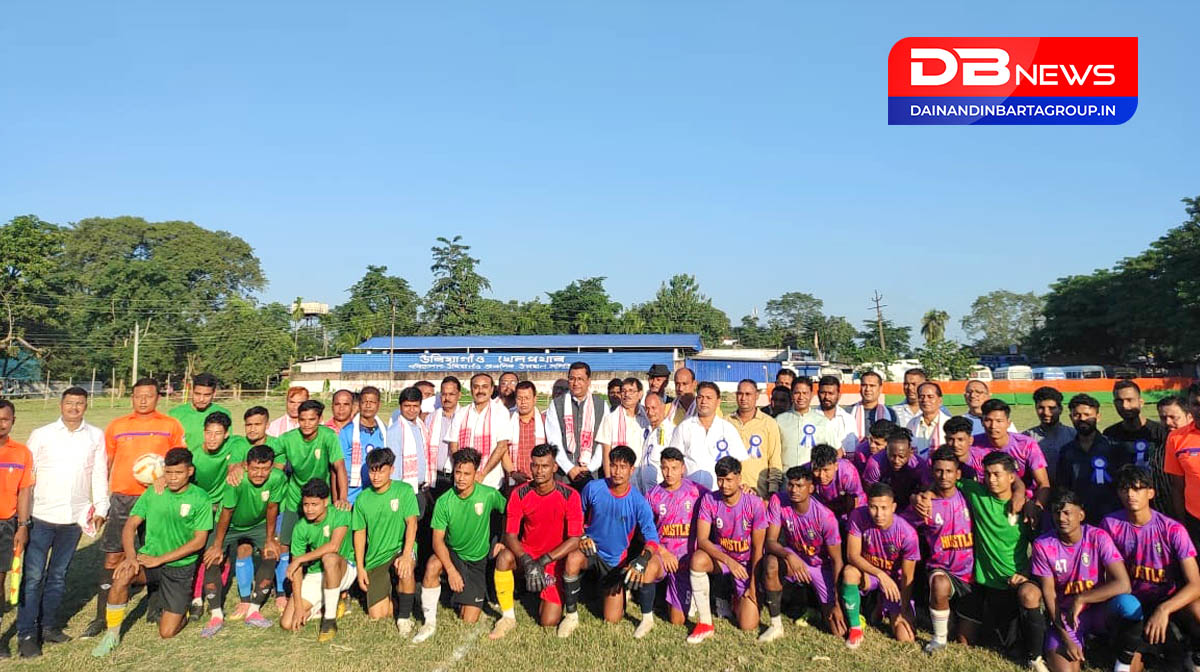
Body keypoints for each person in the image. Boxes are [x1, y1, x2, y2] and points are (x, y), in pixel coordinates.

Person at [84, 378, 186, 639]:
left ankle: (155, 604)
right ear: (132, 397)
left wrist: (166, 476)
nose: (143, 400)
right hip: (123, 500)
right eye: (138, 395)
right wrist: (99, 500)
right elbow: (103, 464)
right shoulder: (117, 426)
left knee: (153, 552)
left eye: (148, 396)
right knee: (113, 556)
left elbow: (179, 461)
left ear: (157, 398)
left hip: (157, 499)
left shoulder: (169, 425)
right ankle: (101, 616)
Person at [91, 448, 212, 657]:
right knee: (121, 576)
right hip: (148, 560)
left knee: (167, 633)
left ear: (190, 471)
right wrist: (130, 558)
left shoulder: (200, 498)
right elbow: (130, 525)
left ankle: (179, 607)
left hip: (179, 567)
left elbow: (199, 542)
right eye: (169, 473)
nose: (172, 479)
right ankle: (112, 635)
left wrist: (160, 559)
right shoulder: (153, 492)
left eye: (178, 473)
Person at [18, 388, 107, 658]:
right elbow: (27, 476)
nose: (74, 408)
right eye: (69, 403)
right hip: (41, 516)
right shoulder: (42, 434)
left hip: (74, 518)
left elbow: (99, 474)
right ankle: (27, 633)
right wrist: (23, 518)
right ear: (61, 405)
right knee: (33, 577)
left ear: (86, 406)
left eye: (80, 403)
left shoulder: (95, 436)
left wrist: (101, 507)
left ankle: (48, 626)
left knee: (58, 576)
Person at [943, 451, 1046, 670]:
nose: (991, 480)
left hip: (1014, 582)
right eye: (987, 474)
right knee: (965, 641)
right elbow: (946, 480)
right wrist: (919, 496)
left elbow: (1040, 549)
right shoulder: (977, 493)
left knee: (1014, 645)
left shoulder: (1025, 510)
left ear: (1012, 477)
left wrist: (1026, 574)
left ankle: (1036, 655)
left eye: (997, 474)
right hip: (983, 582)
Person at [1032, 489, 1141, 672]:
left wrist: (1082, 598)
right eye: (1056, 512)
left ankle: (1118, 653)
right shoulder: (1043, 545)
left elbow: (1123, 584)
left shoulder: (1098, 536)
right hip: (1068, 616)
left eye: (1067, 512)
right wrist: (1065, 636)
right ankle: (1079, 641)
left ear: (1081, 514)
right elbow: (1049, 594)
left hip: (1100, 610)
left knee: (1129, 604)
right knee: (1066, 668)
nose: (1061, 518)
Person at [1104, 465, 1200, 672]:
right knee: (1129, 667)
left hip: (1169, 602)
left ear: (1150, 493)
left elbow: (1196, 585)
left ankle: (1195, 653)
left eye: (1137, 489)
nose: (1130, 494)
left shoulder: (1173, 529)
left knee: (1198, 608)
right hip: (1132, 606)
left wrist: (1164, 609)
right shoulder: (1110, 525)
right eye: (1124, 489)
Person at [492, 444, 586, 638]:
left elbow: (575, 539)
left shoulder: (570, 495)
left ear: (554, 467)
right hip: (526, 554)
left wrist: (543, 561)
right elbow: (510, 534)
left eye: (544, 466)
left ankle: (547, 590)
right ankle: (507, 617)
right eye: (535, 465)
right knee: (503, 557)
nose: (539, 470)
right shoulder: (519, 493)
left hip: (553, 559)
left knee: (548, 621)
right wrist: (526, 561)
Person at [414, 447, 507, 643]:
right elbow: (437, 540)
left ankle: (457, 595)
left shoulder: (488, 495)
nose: (461, 478)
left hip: (476, 561)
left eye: (467, 473)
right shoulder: (444, 501)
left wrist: (503, 540)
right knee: (432, 565)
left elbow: (509, 512)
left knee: (468, 620)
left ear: (476, 474)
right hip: (452, 554)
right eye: (458, 472)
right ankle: (429, 622)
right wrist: (451, 570)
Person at [578, 446, 663, 637]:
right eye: (613, 466)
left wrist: (642, 561)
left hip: (615, 561)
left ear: (632, 470)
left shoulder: (639, 501)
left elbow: (652, 539)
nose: (617, 471)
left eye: (623, 467)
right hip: (590, 551)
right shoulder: (593, 488)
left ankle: (617, 592)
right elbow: (577, 516)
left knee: (612, 618)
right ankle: (571, 615)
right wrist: (582, 536)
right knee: (572, 560)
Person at [274, 399, 350, 609]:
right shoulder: (287, 439)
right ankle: (285, 590)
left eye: (311, 419)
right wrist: (240, 465)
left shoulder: (328, 436)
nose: (306, 424)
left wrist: (342, 497)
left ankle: (339, 589)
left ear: (319, 419)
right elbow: (264, 453)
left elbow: (339, 467)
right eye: (302, 419)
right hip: (295, 498)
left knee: (328, 547)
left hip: (320, 500)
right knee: (286, 545)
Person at [686, 456, 767, 643]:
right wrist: (728, 561)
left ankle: (739, 598)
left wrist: (753, 585)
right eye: (720, 479)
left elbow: (758, 547)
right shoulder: (709, 499)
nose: (724, 485)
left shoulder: (754, 503)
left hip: (747, 565)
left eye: (729, 480)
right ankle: (705, 623)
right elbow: (703, 540)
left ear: (739, 478)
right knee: (698, 560)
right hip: (724, 560)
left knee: (748, 625)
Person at [760, 465, 845, 642]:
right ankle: (776, 625)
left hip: (821, 567)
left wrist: (837, 602)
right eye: (790, 485)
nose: (794, 490)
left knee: (839, 631)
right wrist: (789, 556)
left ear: (811, 488)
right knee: (771, 563)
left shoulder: (825, 517)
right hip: (795, 557)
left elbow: (837, 561)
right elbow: (770, 542)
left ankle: (819, 606)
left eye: (800, 486)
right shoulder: (778, 501)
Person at [204, 444, 282, 632]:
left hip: (257, 524)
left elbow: (272, 508)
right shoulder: (236, 481)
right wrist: (217, 545)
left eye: (265, 469)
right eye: (255, 468)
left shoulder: (278, 479)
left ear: (271, 468)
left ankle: (253, 611)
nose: (260, 474)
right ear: (246, 466)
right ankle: (216, 616)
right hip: (229, 525)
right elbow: (226, 513)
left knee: (271, 554)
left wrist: (270, 539)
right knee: (212, 558)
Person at [908, 447, 976, 654]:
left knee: (965, 640)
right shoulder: (925, 504)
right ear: (932, 472)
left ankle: (941, 616)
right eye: (938, 471)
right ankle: (938, 639)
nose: (943, 476)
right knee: (939, 583)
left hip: (972, 574)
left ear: (958, 473)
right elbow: (902, 526)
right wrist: (915, 498)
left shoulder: (970, 496)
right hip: (942, 569)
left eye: (948, 471)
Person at [841, 482, 920, 649]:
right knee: (849, 573)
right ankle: (855, 628)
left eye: (884, 508)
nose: (878, 514)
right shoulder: (858, 516)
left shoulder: (907, 533)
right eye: (873, 507)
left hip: (895, 584)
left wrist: (903, 609)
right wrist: (880, 574)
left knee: (905, 638)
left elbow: (907, 576)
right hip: (871, 575)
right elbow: (852, 555)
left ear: (893, 507)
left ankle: (881, 605)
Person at [351, 448, 419, 634]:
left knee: (405, 569)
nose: (376, 475)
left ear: (392, 469)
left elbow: (412, 524)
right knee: (377, 615)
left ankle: (404, 618)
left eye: (381, 470)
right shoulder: (363, 499)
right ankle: (402, 594)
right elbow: (359, 534)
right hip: (377, 557)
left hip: (400, 549)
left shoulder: (404, 490)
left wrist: (406, 555)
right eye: (373, 470)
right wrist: (360, 568)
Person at [281, 478, 357, 642]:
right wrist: (300, 608)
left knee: (329, 558)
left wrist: (300, 558)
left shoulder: (340, 513)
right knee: (287, 623)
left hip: (344, 568)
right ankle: (331, 602)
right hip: (317, 574)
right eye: (306, 504)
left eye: (314, 504)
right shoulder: (300, 527)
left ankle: (329, 621)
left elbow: (334, 546)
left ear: (325, 502)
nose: (309, 509)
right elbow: (297, 570)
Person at [190, 411, 242, 624]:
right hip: (201, 509)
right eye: (209, 433)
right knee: (200, 554)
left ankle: (212, 596)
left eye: (218, 433)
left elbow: (239, 460)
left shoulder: (235, 445)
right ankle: (195, 598)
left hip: (224, 509)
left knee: (220, 554)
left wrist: (238, 466)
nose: (212, 438)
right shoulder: (194, 455)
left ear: (227, 434)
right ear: (203, 432)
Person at [645, 448, 704, 627]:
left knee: (677, 621)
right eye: (665, 468)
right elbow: (645, 531)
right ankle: (646, 614)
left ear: (683, 468)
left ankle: (681, 597)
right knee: (648, 566)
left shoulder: (696, 491)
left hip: (685, 561)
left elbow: (719, 501)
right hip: (662, 555)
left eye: (674, 468)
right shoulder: (652, 495)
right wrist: (663, 552)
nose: (669, 473)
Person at [1105, 380, 1171, 518]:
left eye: (1129, 400)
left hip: (1159, 503)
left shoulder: (1159, 432)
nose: (1125, 406)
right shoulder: (1110, 434)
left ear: (1141, 402)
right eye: (1119, 401)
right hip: (1125, 503)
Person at [1057, 394, 1126, 524]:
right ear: (1071, 417)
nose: (1082, 418)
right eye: (1077, 415)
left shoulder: (1114, 447)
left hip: (1112, 515)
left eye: (1087, 414)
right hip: (1079, 517)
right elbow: (1063, 487)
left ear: (1098, 417)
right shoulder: (1066, 451)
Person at [669, 382, 749, 490]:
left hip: (719, 495)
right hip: (689, 494)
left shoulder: (728, 429)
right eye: (700, 397)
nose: (703, 401)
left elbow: (739, 461)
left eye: (709, 398)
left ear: (718, 401)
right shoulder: (684, 427)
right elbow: (673, 461)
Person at [974, 399, 1052, 510]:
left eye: (999, 421)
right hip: (986, 507)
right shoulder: (973, 445)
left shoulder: (1026, 445)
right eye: (988, 420)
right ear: (982, 421)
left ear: (1008, 423)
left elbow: (1043, 484)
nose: (993, 426)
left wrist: (1036, 509)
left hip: (1026, 504)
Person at [0, 400, 33, 657]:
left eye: (5, 419)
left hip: (6, 524)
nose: (0, 423)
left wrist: (22, 525)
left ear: (13, 421)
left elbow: (24, 491)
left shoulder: (21, 453)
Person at [544, 362, 608, 490]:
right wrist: (570, 468)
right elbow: (554, 441)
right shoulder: (556, 404)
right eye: (572, 379)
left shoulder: (601, 405)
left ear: (589, 381)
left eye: (580, 379)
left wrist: (589, 468)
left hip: (592, 475)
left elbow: (603, 442)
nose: (575, 383)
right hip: (564, 476)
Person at [450, 373, 512, 490]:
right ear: (471, 389)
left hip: (490, 480)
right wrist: (464, 472)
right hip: (463, 481)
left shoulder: (500, 412)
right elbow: (453, 445)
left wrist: (482, 473)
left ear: (492, 389)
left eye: (484, 386)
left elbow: (502, 446)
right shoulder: (461, 413)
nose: (480, 391)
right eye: (476, 387)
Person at [727, 379, 783, 498]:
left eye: (748, 394)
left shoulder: (769, 423)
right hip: (729, 492)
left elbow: (774, 460)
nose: (743, 398)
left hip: (758, 492)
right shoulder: (726, 421)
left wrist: (772, 493)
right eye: (740, 394)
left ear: (756, 395)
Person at [340, 386, 388, 506]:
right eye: (364, 402)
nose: (368, 405)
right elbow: (339, 465)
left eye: (372, 402)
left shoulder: (385, 431)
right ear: (359, 404)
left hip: (377, 489)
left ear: (378, 405)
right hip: (353, 491)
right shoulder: (347, 431)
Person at [862, 427, 930, 509]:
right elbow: (869, 491)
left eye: (901, 457)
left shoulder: (918, 465)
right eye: (892, 456)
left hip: (910, 504)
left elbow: (926, 490)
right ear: (886, 450)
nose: (896, 461)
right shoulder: (875, 463)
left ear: (910, 452)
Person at [1166, 383, 1200, 544]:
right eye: (1196, 404)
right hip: (1195, 519)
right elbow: (1177, 486)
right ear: (1189, 407)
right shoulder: (1176, 438)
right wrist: (1182, 523)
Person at [595, 377, 648, 477]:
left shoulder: (648, 416)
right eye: (623, 391)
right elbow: (606, 453)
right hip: (620, 475)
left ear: (640, 394)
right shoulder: (610, 419)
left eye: (631, 391)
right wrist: (609, 479)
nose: (626, 395)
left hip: (644, 473)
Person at [777, 377, 833, 469]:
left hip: (813, 478)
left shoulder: (823, 422)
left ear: (811, 395)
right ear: (791, 395)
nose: (801, 397)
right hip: (787, 478)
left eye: (805, 393)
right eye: (797, 393)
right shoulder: (779, 420)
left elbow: (836, 452)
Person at [169, 373, 231, 452]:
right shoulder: (175, 414)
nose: (201, 399)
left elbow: (228, 445)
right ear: (192, 391)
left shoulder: (224, 414)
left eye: (207, 395)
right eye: (197, 394)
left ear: (214, 394)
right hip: (184, 462)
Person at [809, 443, 865, 524]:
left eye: (826, 470)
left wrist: (851, 525)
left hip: (851, 508)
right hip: (826, 510)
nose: (821, 476)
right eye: (817, 470)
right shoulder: (807, 473)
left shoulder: (847, 472)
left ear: (836, 466)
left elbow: (854, 500)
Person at [1026, 386, 1076, 470]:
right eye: (1041, 408)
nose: (1046, 412)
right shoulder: (1026, 437)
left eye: (1051, 408)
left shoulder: (1074, 435)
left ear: (1060, 409)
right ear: (1036, 408)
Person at [634, 391, 675, 493]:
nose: (650, 412)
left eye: (653, 408)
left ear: (662, 407)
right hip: (646, 493)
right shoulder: (647, 430)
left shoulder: (671, 432)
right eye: (647, 408)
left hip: (663, 494)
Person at [507, 381, 545, 486]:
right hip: (514, 480)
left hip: (540, 480)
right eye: (519, 398)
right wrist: (513, 474)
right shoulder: (507, 420)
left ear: (535, 399)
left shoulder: (545, 421)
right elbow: (503, 451)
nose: (523, 402)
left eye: (527, 398)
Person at [816, 375, 859, 456]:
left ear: (839, 395)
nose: (826, 397)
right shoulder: (810, 418)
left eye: (831, 393)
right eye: (823, 393)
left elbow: (853, 450)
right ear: (818, 394)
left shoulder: (848, 419)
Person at [907, 381, 951, 458]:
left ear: (940, 401)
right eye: (921, 396)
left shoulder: (949, 423)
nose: (925, 400)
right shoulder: (912, 424)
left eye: (930, 397)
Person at [848, 372, 896, 440]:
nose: (867, 389)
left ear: (880, 388)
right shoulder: (848, 412)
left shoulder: (891, 414)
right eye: (864, 385)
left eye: (872, 386)